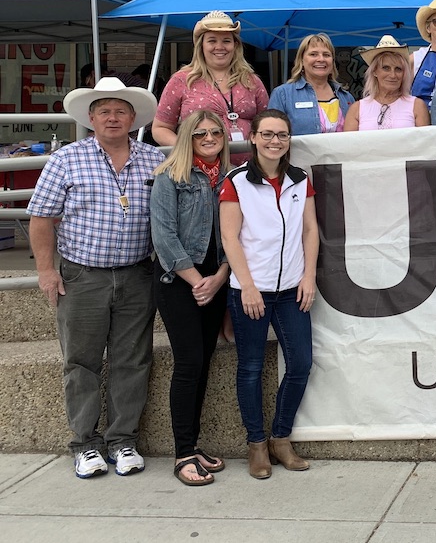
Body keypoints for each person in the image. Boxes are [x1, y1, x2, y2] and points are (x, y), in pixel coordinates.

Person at [27, 77, 164, 479]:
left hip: (137, 274)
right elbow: (41, 218)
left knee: (132, 359)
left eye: (121, 111)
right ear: (91, 118)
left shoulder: (153, 159)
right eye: (104, 111)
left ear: (133, 118)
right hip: (82, 276)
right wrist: (46, 271)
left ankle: (123, 441)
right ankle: (85, 444)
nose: (112, 117)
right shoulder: (66, 159)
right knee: (81, 361)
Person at [219, 109, 318, 479]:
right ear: (254, 137)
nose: (275, 141)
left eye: (282, 135)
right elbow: (230, 237)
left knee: (301, 364)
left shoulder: (300, 180)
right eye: (268, 134)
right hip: (251, 290)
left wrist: (308, 277)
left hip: (292, 289)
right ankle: (256, 444)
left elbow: (310, 230)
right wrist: (247, 285)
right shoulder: (236, 181)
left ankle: (281, 437)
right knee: (250, 368)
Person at [149, 110, 231, 486]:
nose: (209, 138)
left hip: (215, 279)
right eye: (200, 134)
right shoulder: (170, 177)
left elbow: (236, 235)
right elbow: (164, 237)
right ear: (187, 138)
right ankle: (183, 453)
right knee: (188, 363)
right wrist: (199, 282)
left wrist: (220, 276)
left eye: (216, 132)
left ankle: (194, 445)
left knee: (203, 363)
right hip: (179, 280)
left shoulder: (229, 178)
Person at [153, 11, 270, 161]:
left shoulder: (252, 81)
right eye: (212, 41)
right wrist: (188, 152)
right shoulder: (181, 80)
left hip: (248, 168)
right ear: (201, 45)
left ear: (235, 45)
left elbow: (268, 125)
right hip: (198, 168)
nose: (219, 47)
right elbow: (160, 129)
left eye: (226, 41)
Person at [268, 33, 355, 135]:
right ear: (301, 60)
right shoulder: (283, 94)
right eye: (313, 54)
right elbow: (272, 133)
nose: (321, 59)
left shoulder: (347, 98)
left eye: (326, 55)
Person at [344, 36, 430, 131]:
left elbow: (425, 140)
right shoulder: (357, 109)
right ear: (374, 71)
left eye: (398, 69)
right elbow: (349, 140)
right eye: (386, 68)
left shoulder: (417, 106)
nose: (393, 75)